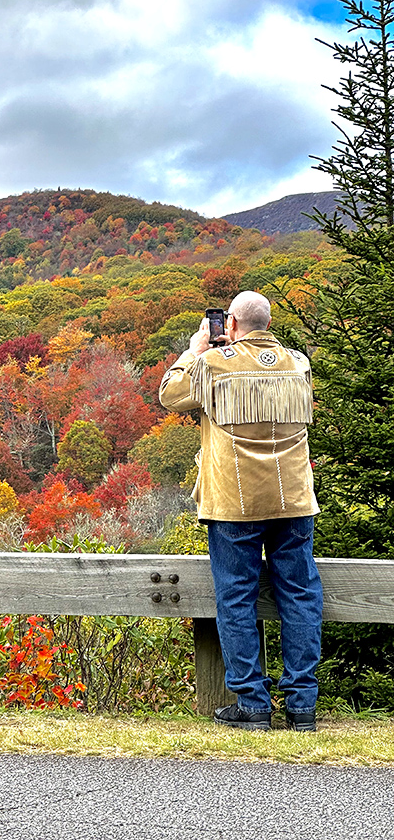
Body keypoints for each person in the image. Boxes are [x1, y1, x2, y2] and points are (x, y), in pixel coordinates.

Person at [159, 291, 322, 732]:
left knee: (236, 597)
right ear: (267, 323)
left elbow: (170, 396)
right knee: (300, 594)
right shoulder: (298, 364)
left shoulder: (214, 365)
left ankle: (253, 704)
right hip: (294, 501)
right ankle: (302, 705)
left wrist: (194, 351)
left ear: (229, 323)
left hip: (235, 502)